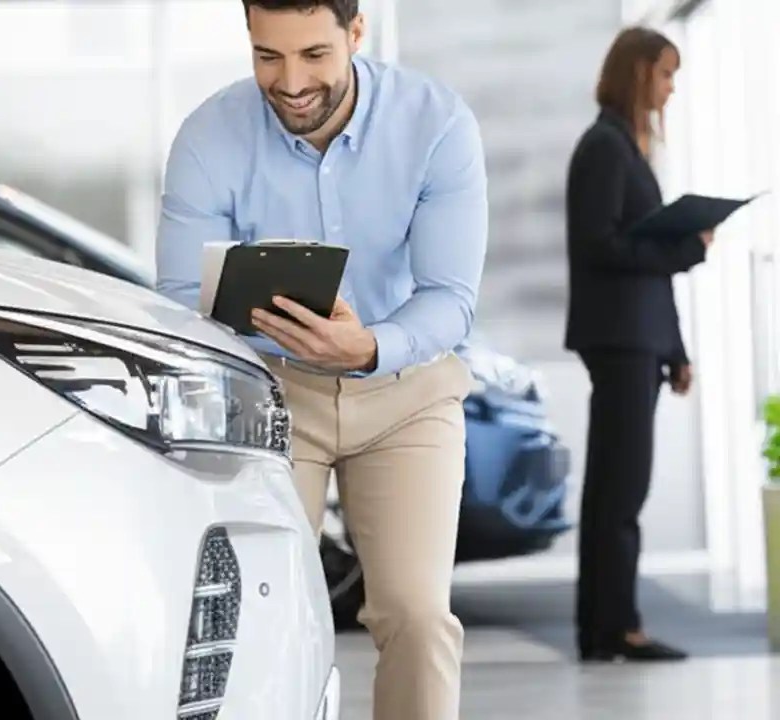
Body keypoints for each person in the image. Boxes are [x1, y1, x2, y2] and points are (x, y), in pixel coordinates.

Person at [155, 1, 487, 718]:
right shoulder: (209, 138)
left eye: (313, 55)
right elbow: (182, 300)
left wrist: (369, 346)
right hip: (269, 394)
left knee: (417, 613)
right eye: (267, 56)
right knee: (261, 614)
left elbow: (449, 299)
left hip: (407, 392)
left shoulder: (436, 125)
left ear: (355, 33)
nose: (291, 82)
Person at [564, 26, 712, 663]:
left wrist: (674, 350)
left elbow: (642, 262)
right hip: (620, 339)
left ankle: (608, 628)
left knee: (619, 488)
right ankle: (613, 627)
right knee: (620, 491)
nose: (671, 88)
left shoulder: (625, 147)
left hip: (638, 339)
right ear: (639, 73)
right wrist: (684, 248)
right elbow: (600, 245)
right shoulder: (604, 147)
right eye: (666, 74)